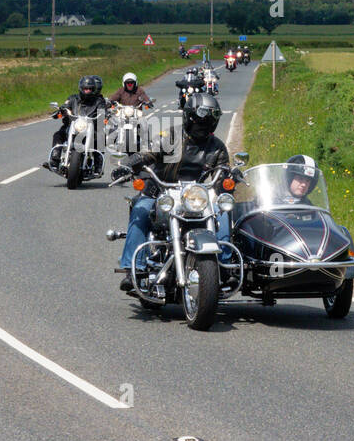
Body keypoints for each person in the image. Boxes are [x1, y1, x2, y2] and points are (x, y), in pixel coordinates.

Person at [112, 92, 231, 290]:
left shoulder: (217, 147)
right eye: (200, 120)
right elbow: (147, 154)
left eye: (208, 120)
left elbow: (223, 172)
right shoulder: (170, 137)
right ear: (189, 117)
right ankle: (133, 269)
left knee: (224, 211)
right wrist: (128, 165)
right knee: (141, 210)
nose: (203, 125)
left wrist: (229, 179)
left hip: (195, 197)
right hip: (161, 192)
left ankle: (225, 267)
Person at [50, 75, 109, 166]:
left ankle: (98, 162)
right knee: (58, 134)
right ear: (81, 88)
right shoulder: (73, 98)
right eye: (85, 88)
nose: (87, 90)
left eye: (89, 88)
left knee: (101, 136)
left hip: (91, 128)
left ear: (93, 89)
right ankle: (54, 159)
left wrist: (105, 114)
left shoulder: (98, 101)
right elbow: (66, 105)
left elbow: (102, 109)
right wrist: (62, 109)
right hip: (73, 126)